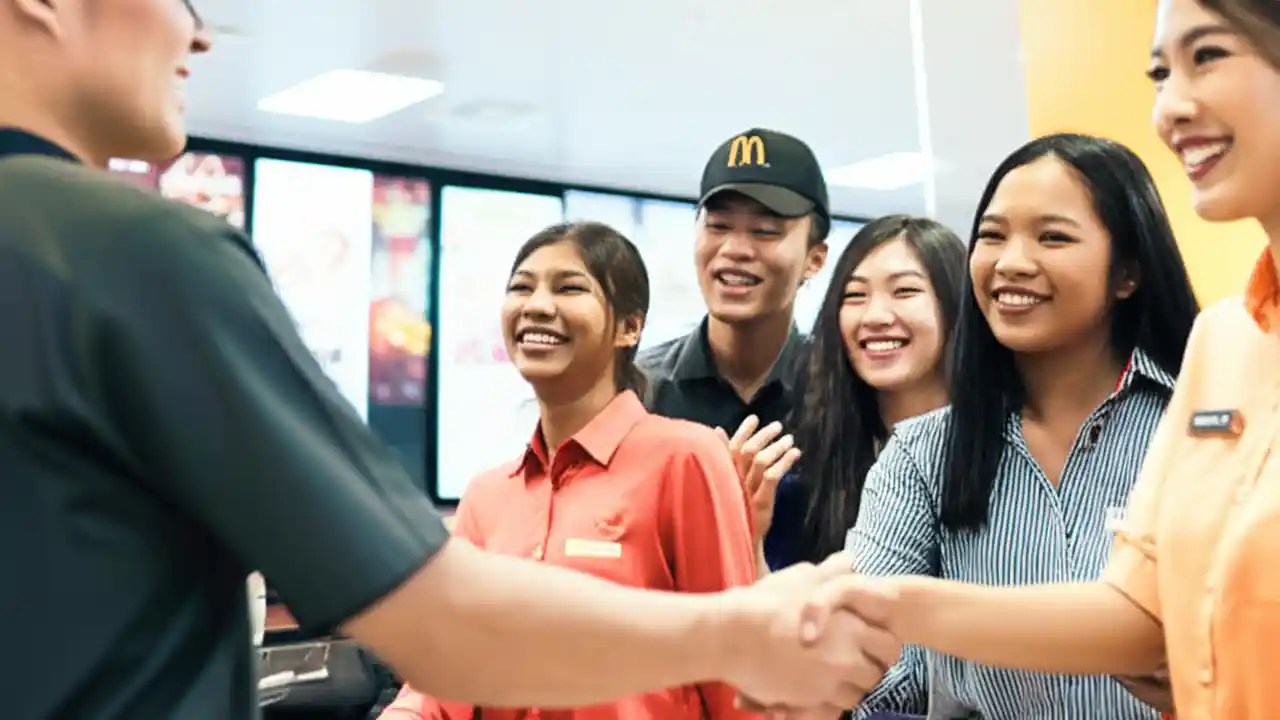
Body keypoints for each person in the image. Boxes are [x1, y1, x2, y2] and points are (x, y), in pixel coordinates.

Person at [0, 3, 903, 718]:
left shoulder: (698, 448)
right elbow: (438, 623)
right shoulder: (138, 258)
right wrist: (738, 627)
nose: (196, 29)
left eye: (572, 291)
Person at [808, 2, 1280, 719]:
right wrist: (874, 599)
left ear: (1127, 271)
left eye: (1207, 56)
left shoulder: (1184, 380)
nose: (1170, 108)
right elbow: (1135, 616)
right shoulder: (1225, 343)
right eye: (1159, 72)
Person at [838, 133, 1200, 719]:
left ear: (1127, 272)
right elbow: (881, 674)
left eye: (1052, 236)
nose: (1010, 263)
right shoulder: (924, 453)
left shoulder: (1199, 426)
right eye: (992, 236)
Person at [380, 221, 763, 719]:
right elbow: (446, 670)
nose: (537, 305)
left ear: (629, 327)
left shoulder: (685, 459)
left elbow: (732, 669)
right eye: (522, 286)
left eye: (569, 287)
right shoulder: (488, 495)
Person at [724, 216, 966, 574]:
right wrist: (749, 535)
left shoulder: (1006, 454)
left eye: (904, 291)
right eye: (855, 295)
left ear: (957, 306)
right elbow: (778, 616)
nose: (875, 316)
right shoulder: (804, 475)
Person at [639, 128, 829, 433]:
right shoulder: (637, 390)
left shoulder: (842, 392)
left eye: (765, 230)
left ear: (815, 258)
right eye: (718, 226)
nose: (734, 249)